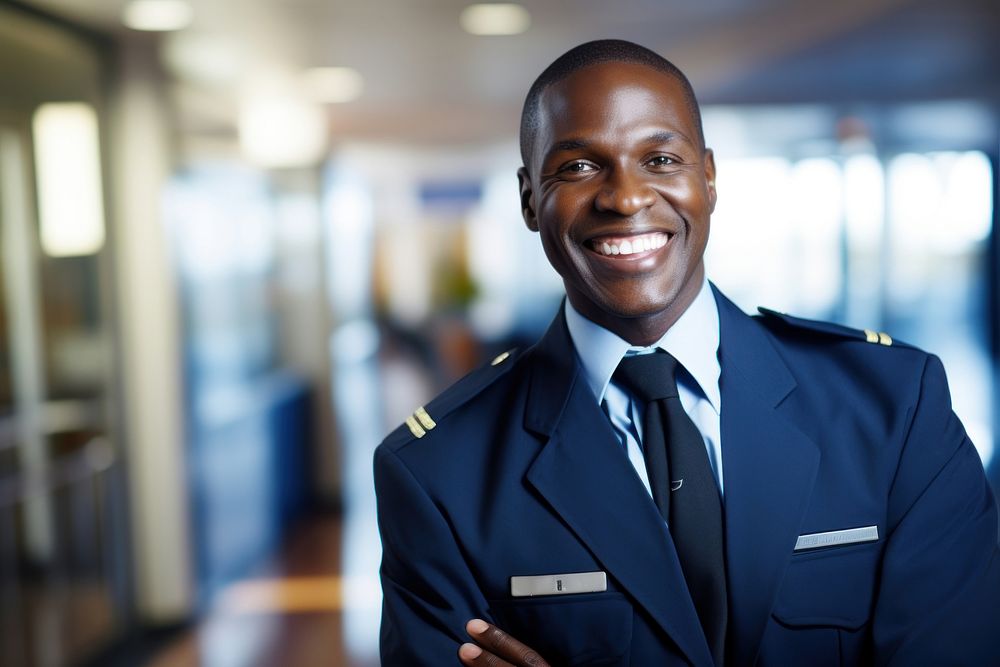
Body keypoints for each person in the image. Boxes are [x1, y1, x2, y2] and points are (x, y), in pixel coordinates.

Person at [373, 39, 1000, 666]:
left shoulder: (895, 407)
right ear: (529, 200)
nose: (624, 197)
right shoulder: (438, 472)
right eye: (578, 167)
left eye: (661, 159)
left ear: (709, 177)